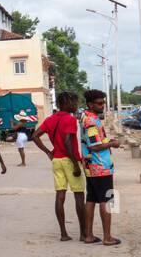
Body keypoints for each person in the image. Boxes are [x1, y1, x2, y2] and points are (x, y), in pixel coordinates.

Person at [33, 92, 87, 241]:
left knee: (60, 195)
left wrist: (48, 152)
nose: (76, 105)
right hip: (69, 160)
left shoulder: (50, 119)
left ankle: (63, 233)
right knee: (79, 195)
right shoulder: (70, 119)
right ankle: (83, 233)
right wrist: (76, 164)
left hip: (56, 160)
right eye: (74, 102)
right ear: (66, 103)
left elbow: (35, 135)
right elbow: (68, 142)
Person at [80, 89, 121, 246]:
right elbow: (95, 145)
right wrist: (112, 144)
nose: (102, 105)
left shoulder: (87, 118)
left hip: (91, 166)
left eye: (103, 102)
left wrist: (106, 140)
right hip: (100, 166)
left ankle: (89, 235)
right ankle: (107, 237)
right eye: (99, 103)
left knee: (91, 199)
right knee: (107, 199)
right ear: (90, 104)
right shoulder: (91, 121)